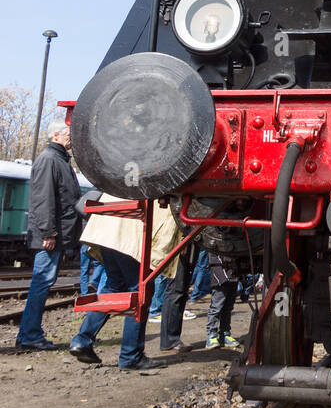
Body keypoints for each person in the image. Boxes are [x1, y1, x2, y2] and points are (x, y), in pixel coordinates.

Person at [68, 194, 184, 369]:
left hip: (107, 227)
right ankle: (131, 355)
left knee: (114, 287)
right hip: (132, 232)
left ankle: (82, 340)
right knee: (140, 291)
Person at [16, 119, 81, 351]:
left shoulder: (59, 160)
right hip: (51, 235)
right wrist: (48, 232)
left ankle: (27, 334)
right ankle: (30, 335)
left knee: (44, 281)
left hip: (57, 233)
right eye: (68, 135)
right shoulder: (50, 160)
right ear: (56, 135)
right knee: (42, 282)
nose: (71, 138)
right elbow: (43, 199)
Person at [204, 253, 242, 350]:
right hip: (219, 273)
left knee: (228, 308)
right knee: (216, 307)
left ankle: (225, 334)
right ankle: (211, 335)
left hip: (233, 272)